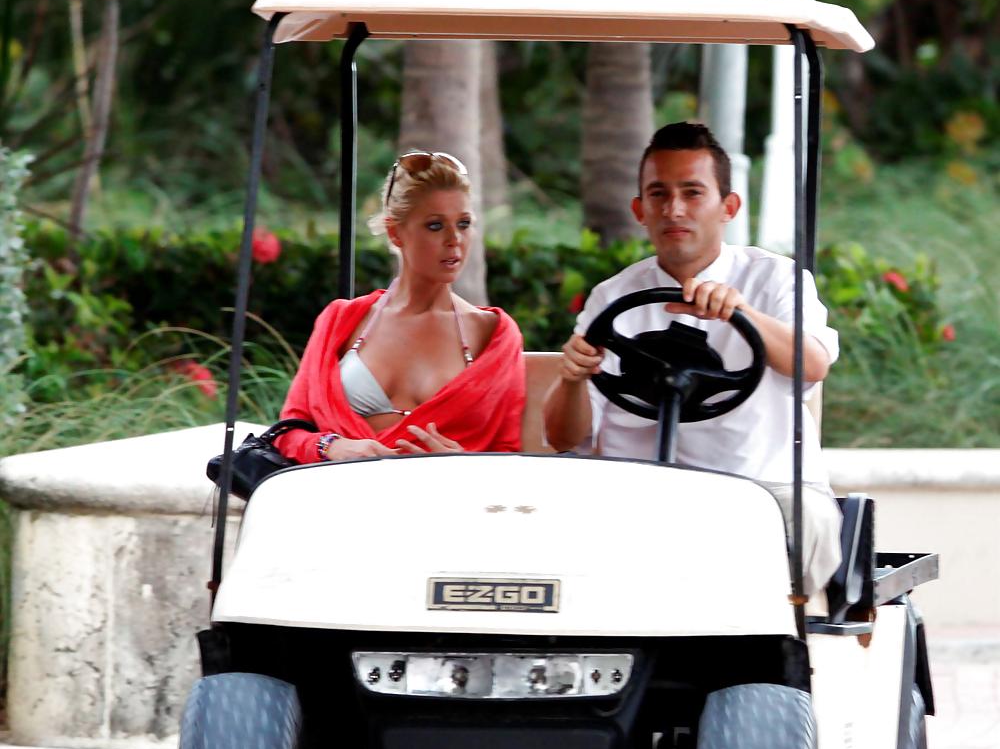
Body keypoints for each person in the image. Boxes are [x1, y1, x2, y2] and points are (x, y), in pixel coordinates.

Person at [543, 122, 841, 609]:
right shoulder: (612, 298)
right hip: (634, 496)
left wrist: (741, 312)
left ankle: (767, 654)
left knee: (804, 524)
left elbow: (813, 364)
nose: (674, 209)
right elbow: (563, 438)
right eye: (658, 194)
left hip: (757, 490)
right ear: (640, 210)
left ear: (729, 207)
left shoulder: (774, 279)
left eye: (692, 193)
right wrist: (572, 379)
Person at [275, 151, 525, 463]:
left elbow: (509, 458)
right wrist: (332, 447)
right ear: (395, 232)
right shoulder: (342, 320)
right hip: (342, 497)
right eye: (435, 226)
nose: (454, 239)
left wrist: (465, 462)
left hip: (447, 501)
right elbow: (287, 433)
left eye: (463, 224)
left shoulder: (494, 333)